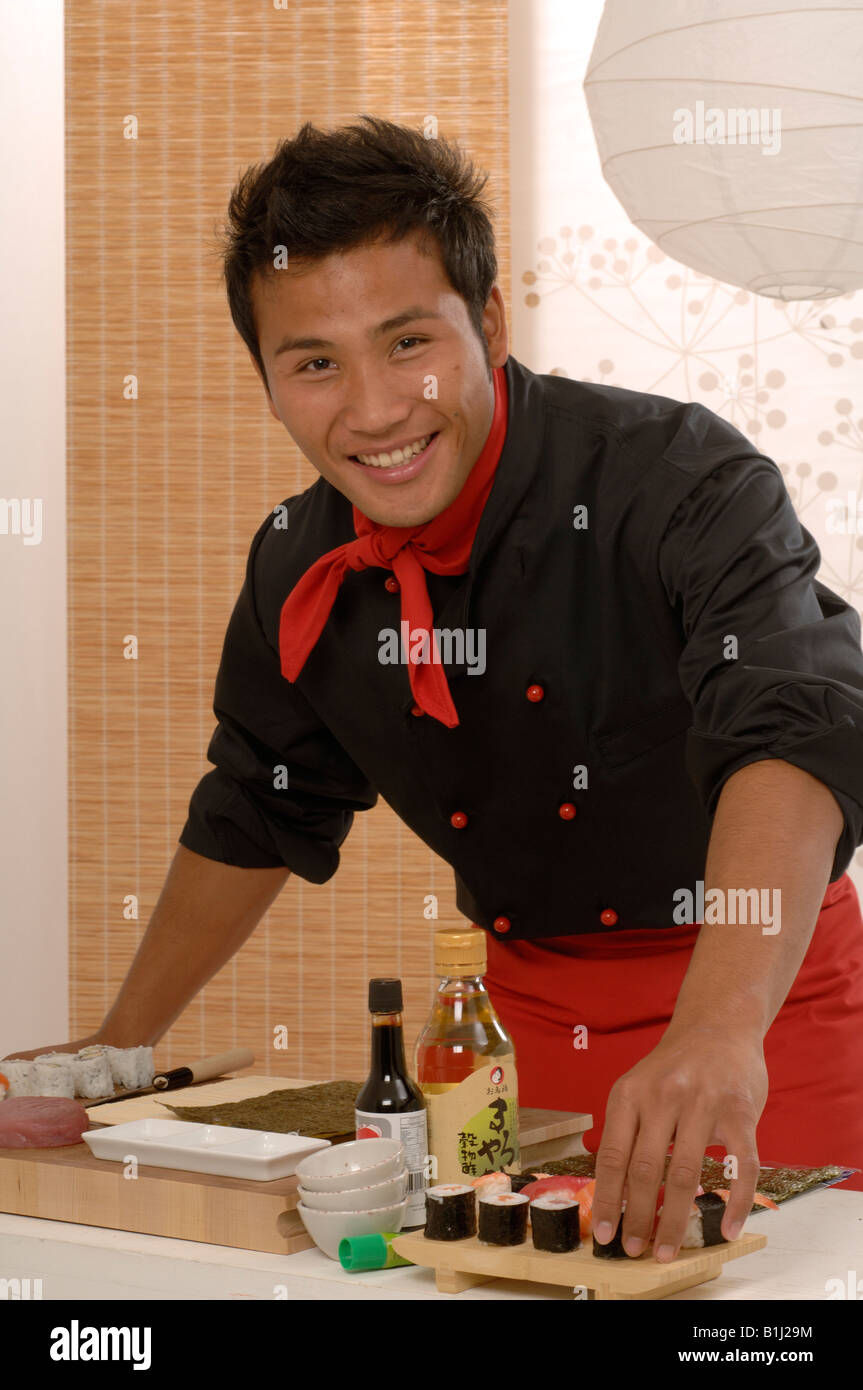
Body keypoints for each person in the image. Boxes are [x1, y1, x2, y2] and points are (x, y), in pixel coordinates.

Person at [7, 118, 863, 1260]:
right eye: (313, 362)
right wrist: (115, 1051)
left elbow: (791, 730)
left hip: (755, 1010)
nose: (371, 409)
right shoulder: (292, 562)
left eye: (407, 340)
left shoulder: (676, 476)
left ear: (488, 322)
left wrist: (716, 1033)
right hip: (512, 1041)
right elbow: (260, 803)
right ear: (266, 382)